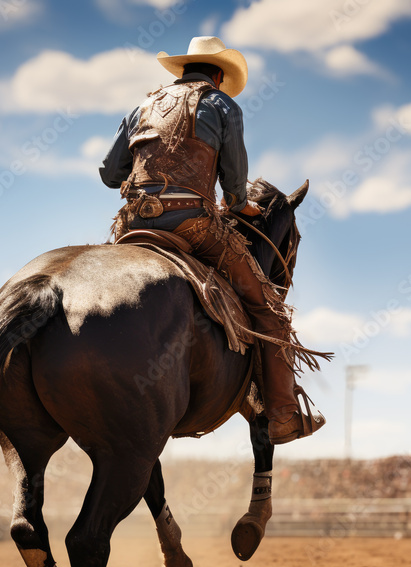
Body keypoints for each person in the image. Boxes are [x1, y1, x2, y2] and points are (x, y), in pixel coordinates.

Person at [99, 36, 323, 445]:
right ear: (218, 75)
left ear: (184, 69)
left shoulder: (143, 106)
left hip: (131, 225)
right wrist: (241, 205)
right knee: (268, 308)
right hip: (193, 225)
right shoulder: (222, 105)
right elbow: (235, 186)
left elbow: (110, 174)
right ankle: (284, 415)